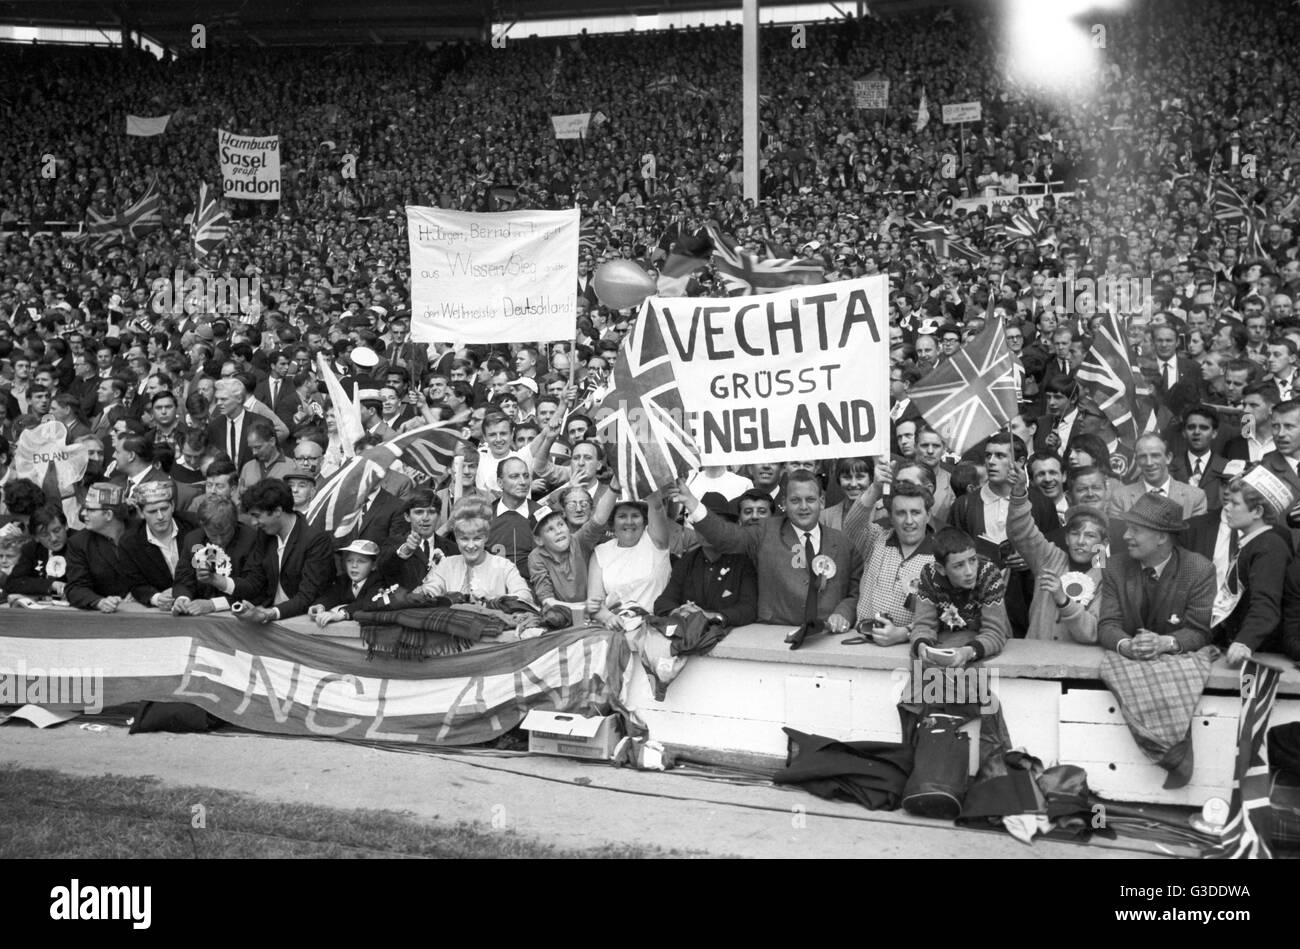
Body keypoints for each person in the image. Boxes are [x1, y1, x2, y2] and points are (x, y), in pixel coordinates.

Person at [675, 468, 861, 648]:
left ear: (821, 501)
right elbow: (726, 536)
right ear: (784, 503)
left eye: (810, 500)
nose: (803, 507)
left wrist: (843, 613)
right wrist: (692, 503)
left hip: (828, 639)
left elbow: (855, 591)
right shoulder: (764, 532)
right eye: (795, 500)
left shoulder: (843, 542)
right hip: (774, 638)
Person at [1097, 493, 1216, 658]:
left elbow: (1200, 631)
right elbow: (1107, 624)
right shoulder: (1114, 567)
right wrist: (1126, 646)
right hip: (1128, 659)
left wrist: (1165, 643)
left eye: (1135, 530)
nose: (1126, 536)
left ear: (1161, 537)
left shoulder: (1199, 570)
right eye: (1127, 528)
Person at [1006, 462, 1104, 643]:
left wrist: (1062, 599)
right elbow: (1021, 532)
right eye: (1075, 534)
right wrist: (1019, 493)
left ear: (1102, 544)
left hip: (1077, 667)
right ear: (1066, 538)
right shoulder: (1050, 557)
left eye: (1090, 535)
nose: (1081, 541)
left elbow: (1091, 633)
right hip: (1035, 659)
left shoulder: (1106, 577)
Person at [1212, 469, 1294, 667]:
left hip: (1262, 652)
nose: (1227, 508)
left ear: (1257, 512)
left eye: (1235, 503)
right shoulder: (1252, 543)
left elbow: (1266, 604)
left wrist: (1244, 642)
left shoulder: (1269, 547)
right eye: (1228, 502)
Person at [226, 479, 337, 623]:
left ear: (278, 511)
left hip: (303, 623)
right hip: (268, 621)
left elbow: (307, 596)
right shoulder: (264, 535)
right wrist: (217, 580)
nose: (253, 523)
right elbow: (254, 582)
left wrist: (269, 614)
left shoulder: (315, 540)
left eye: (257, 516)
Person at [652, 492, 758, 628]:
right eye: (700, 525)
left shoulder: (743, 562)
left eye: (712, 526)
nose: (706, 532)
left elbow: (749, 608)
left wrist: (712, 616)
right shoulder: (687, 561)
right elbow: (663, 602)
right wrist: (678, 611)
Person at [908, 527, 1011, 664]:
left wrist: (968, 652)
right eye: (959, 566)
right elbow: (924, 625)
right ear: (941, 569)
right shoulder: (930, 575)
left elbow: (995, 633)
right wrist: (921, 646)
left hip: (982, 648)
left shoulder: (989, 575)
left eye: (973, 560)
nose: (969, 572)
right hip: (946, 643)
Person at [415, 496, 535, 604]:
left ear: (486, 537)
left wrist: (493, 598)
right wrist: (426, 594)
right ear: (456, 538)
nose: (471, 546)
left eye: (477, 539)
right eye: (464, 539)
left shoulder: (504, 566)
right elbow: (430, 590)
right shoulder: (446, 565)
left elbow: (525, 596)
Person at [585, 491, 673, 629]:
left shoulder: (656, 542)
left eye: (635, 516)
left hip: (654, 626)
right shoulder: (600, 552)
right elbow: (595, 604)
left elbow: (656, 507)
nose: (629, 522)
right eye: (622, 516)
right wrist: (609, 618)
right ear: (612, 522)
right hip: (615, 628)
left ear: (644, 520)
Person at [172, 495, 267, 615]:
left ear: (234, 524)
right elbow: (182, 579)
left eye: (225, 533)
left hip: (237, 613)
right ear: (203, 526)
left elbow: (256, 589)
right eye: (212, 534)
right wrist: (182, 599)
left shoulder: (252, 540)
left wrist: (214, 604)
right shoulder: (193, 540)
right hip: (197, 614)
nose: (219, 541)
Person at [119, 480, 197, 611]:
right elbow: (135, 583)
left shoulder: (194, 526)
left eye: (164, 509)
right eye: (152, 511)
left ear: (172, 505)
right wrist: (156, 598)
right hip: (162, 609)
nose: (160, 516)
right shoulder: (130, 542)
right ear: (141, 512)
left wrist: (182, 593)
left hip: (197, 601)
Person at [64, 482, 134, 612]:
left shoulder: (140, 532)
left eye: (90, 509)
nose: (83, 513)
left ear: (108, 515)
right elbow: (75, 588)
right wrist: (99, 602)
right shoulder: (79, 543)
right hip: (106, 617)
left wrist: (142, 593)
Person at [1107, 433, 1208, 519]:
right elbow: (1119, 539)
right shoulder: (1120, 498)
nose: (1149, 463)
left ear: (1168, 458)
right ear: (1136, 461)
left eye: (1155, 456)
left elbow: (1196, 539)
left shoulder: (1195, 497)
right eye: (1143, 456)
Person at [377, 488, 458, 589]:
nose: (425, 518)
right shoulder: (392, 544)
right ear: (407, 516)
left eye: (432, 512)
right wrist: (405, 550)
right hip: (406, 604)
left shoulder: (453, 549)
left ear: (439, 516)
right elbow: (383, 569)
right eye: (419, 512)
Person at [310, 539, 387, 627]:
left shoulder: (379, 581)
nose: (354, 565)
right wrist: (320, 606)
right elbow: (331, 595)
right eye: (349, 560)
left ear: (374, 565)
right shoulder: (344, 580)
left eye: (361, 561)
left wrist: (341, 614)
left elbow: (368, 601)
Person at [6, 504, 74, 598]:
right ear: (36, 538)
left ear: (66, 526)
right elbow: (13, 583)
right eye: (45, 534)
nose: (53, 538)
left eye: (57, 530)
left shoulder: (81, 543)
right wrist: (50, 585)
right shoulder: (31, 549)